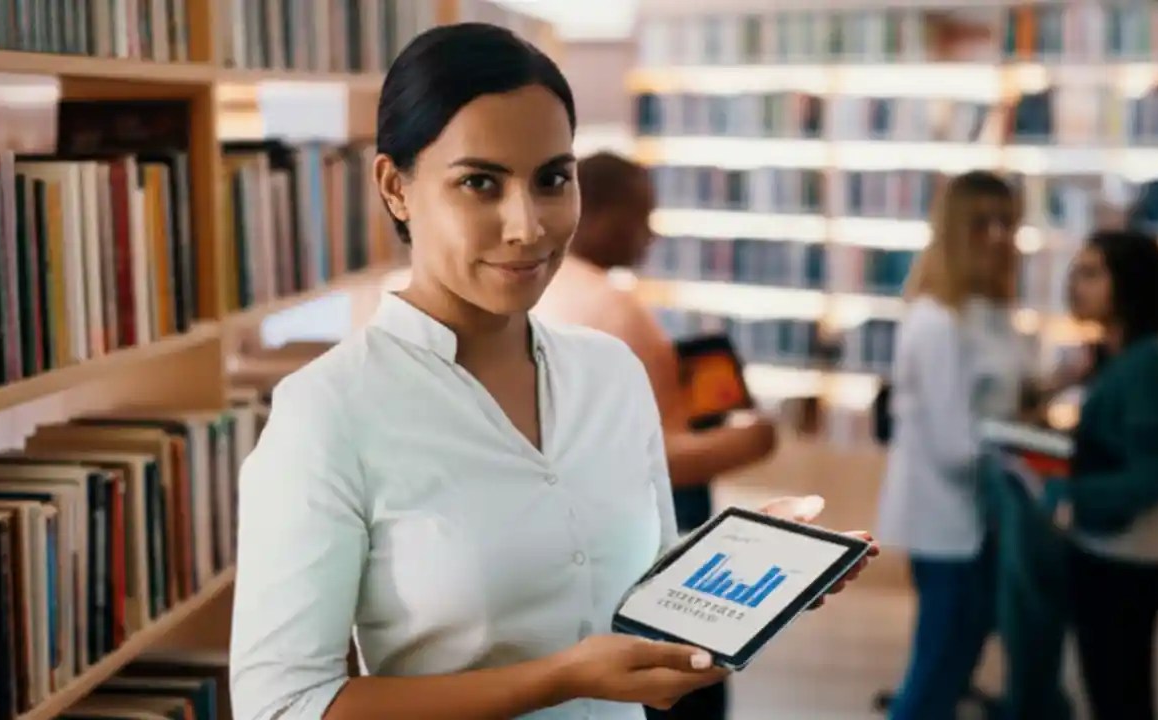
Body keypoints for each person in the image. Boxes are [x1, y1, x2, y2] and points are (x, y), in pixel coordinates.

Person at [228, 24, 873, 720]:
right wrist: (558, 679)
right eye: (480, 182)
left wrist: (744, 561)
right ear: (396, 187)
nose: (528, 226)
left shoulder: (610, 372)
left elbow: (631, 580)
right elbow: (283, 706)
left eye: (552, 180)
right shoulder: (328, 412)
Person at [534, 152, 779, 720]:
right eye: (640, 215)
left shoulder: (540, 295)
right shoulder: (613, 309)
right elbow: (658, 457)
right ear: (600, 212)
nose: (650, 233)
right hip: (644, 562)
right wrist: (756, 439)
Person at [875, 170, 1028, 720]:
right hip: (946, 518)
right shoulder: (936, 320)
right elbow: (953, 444)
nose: (996, 236)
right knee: (937, 666)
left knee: (956, 659)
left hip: (980, 517)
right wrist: (1023, 450)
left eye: (1006, 223)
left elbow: (998, 403)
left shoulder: (988, 310)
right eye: (981, 223)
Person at [1058, 229, 1158, 720]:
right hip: (1112, 550)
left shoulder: (1145, 364)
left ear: (1128, 284)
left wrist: (1068, 490)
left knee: (1119, 699)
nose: (1076, 284)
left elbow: (1153, 474)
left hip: (1126, 558)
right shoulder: (1119, 360)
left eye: (1092, 273)